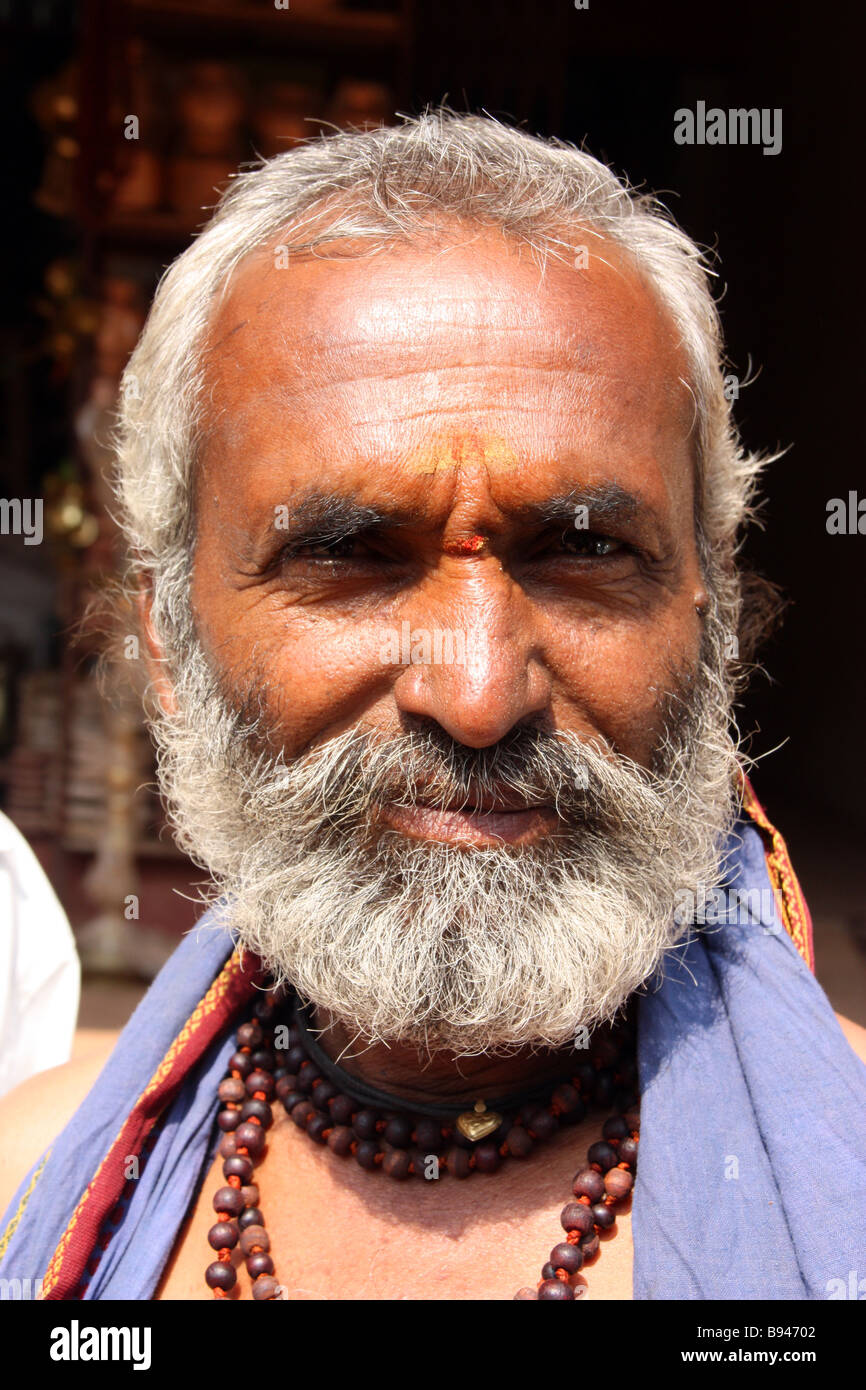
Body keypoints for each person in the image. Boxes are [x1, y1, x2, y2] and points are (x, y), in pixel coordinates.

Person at [1, 110, 864, 1302]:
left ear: (714, 624)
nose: (474, 695)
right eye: (351, 554)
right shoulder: (30, 1180)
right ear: (168, 642)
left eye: (582, 548)